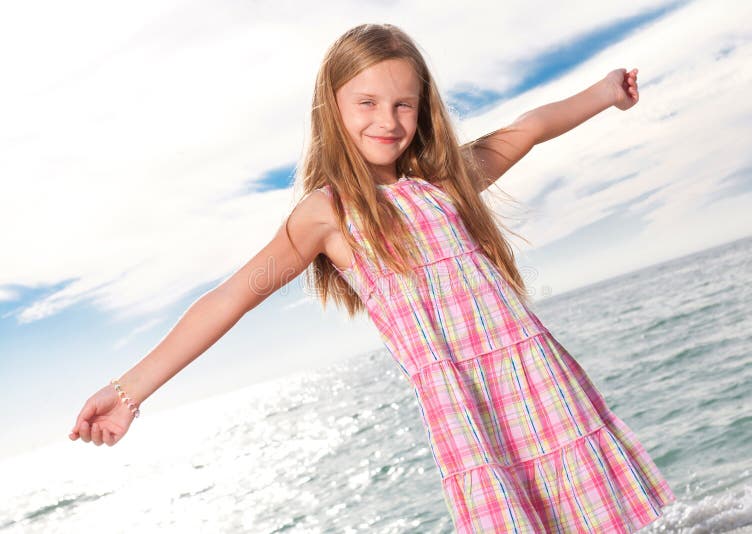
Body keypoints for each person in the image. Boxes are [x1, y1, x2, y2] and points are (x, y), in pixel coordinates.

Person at [69, 23, 675, 533]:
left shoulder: (447, 184)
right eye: (367, 102)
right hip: (465, 410)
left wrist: (604, 93)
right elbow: (231, 299)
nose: (387, 119)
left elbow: (531, 126)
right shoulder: (326, 215)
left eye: (402, 103)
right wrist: (128, 392)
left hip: (541, 382)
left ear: (422, 106)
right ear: (331, 106)